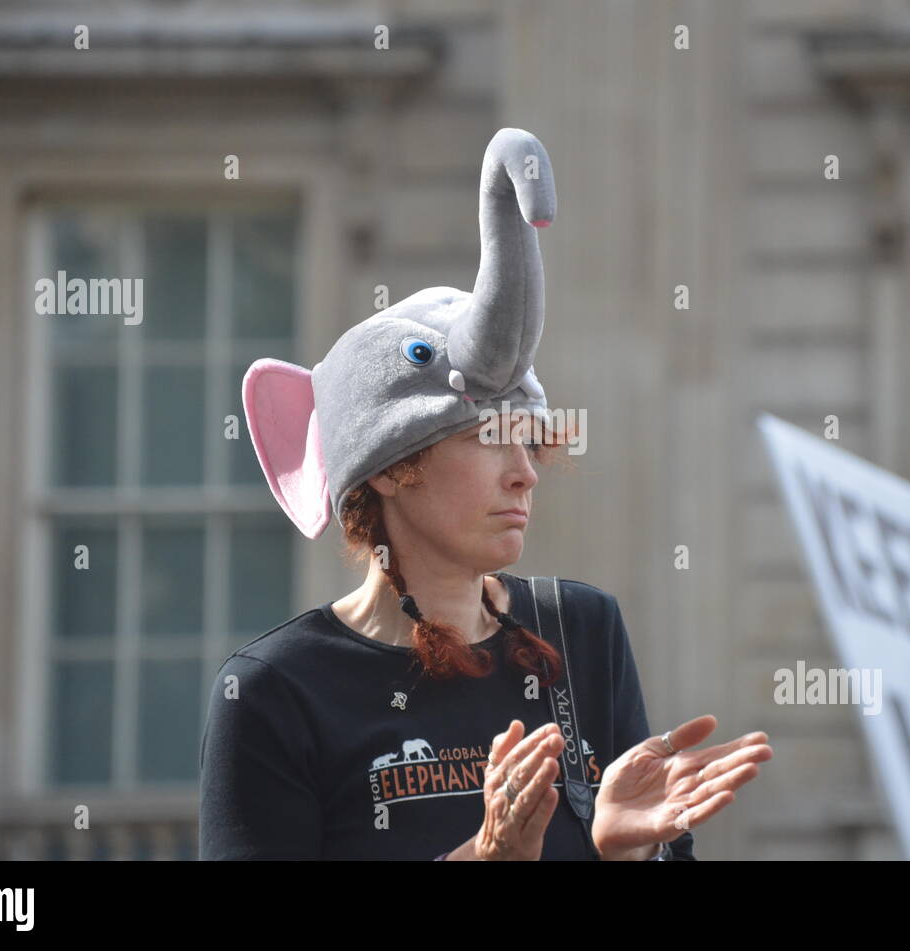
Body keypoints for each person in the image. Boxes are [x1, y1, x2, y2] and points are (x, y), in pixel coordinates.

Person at [198, 128, 773, 860]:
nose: (525, 471)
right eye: (487, 437)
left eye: (527, 440)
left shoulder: (581, 632)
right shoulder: (275, 693)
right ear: (388, 467)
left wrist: (624, 853)